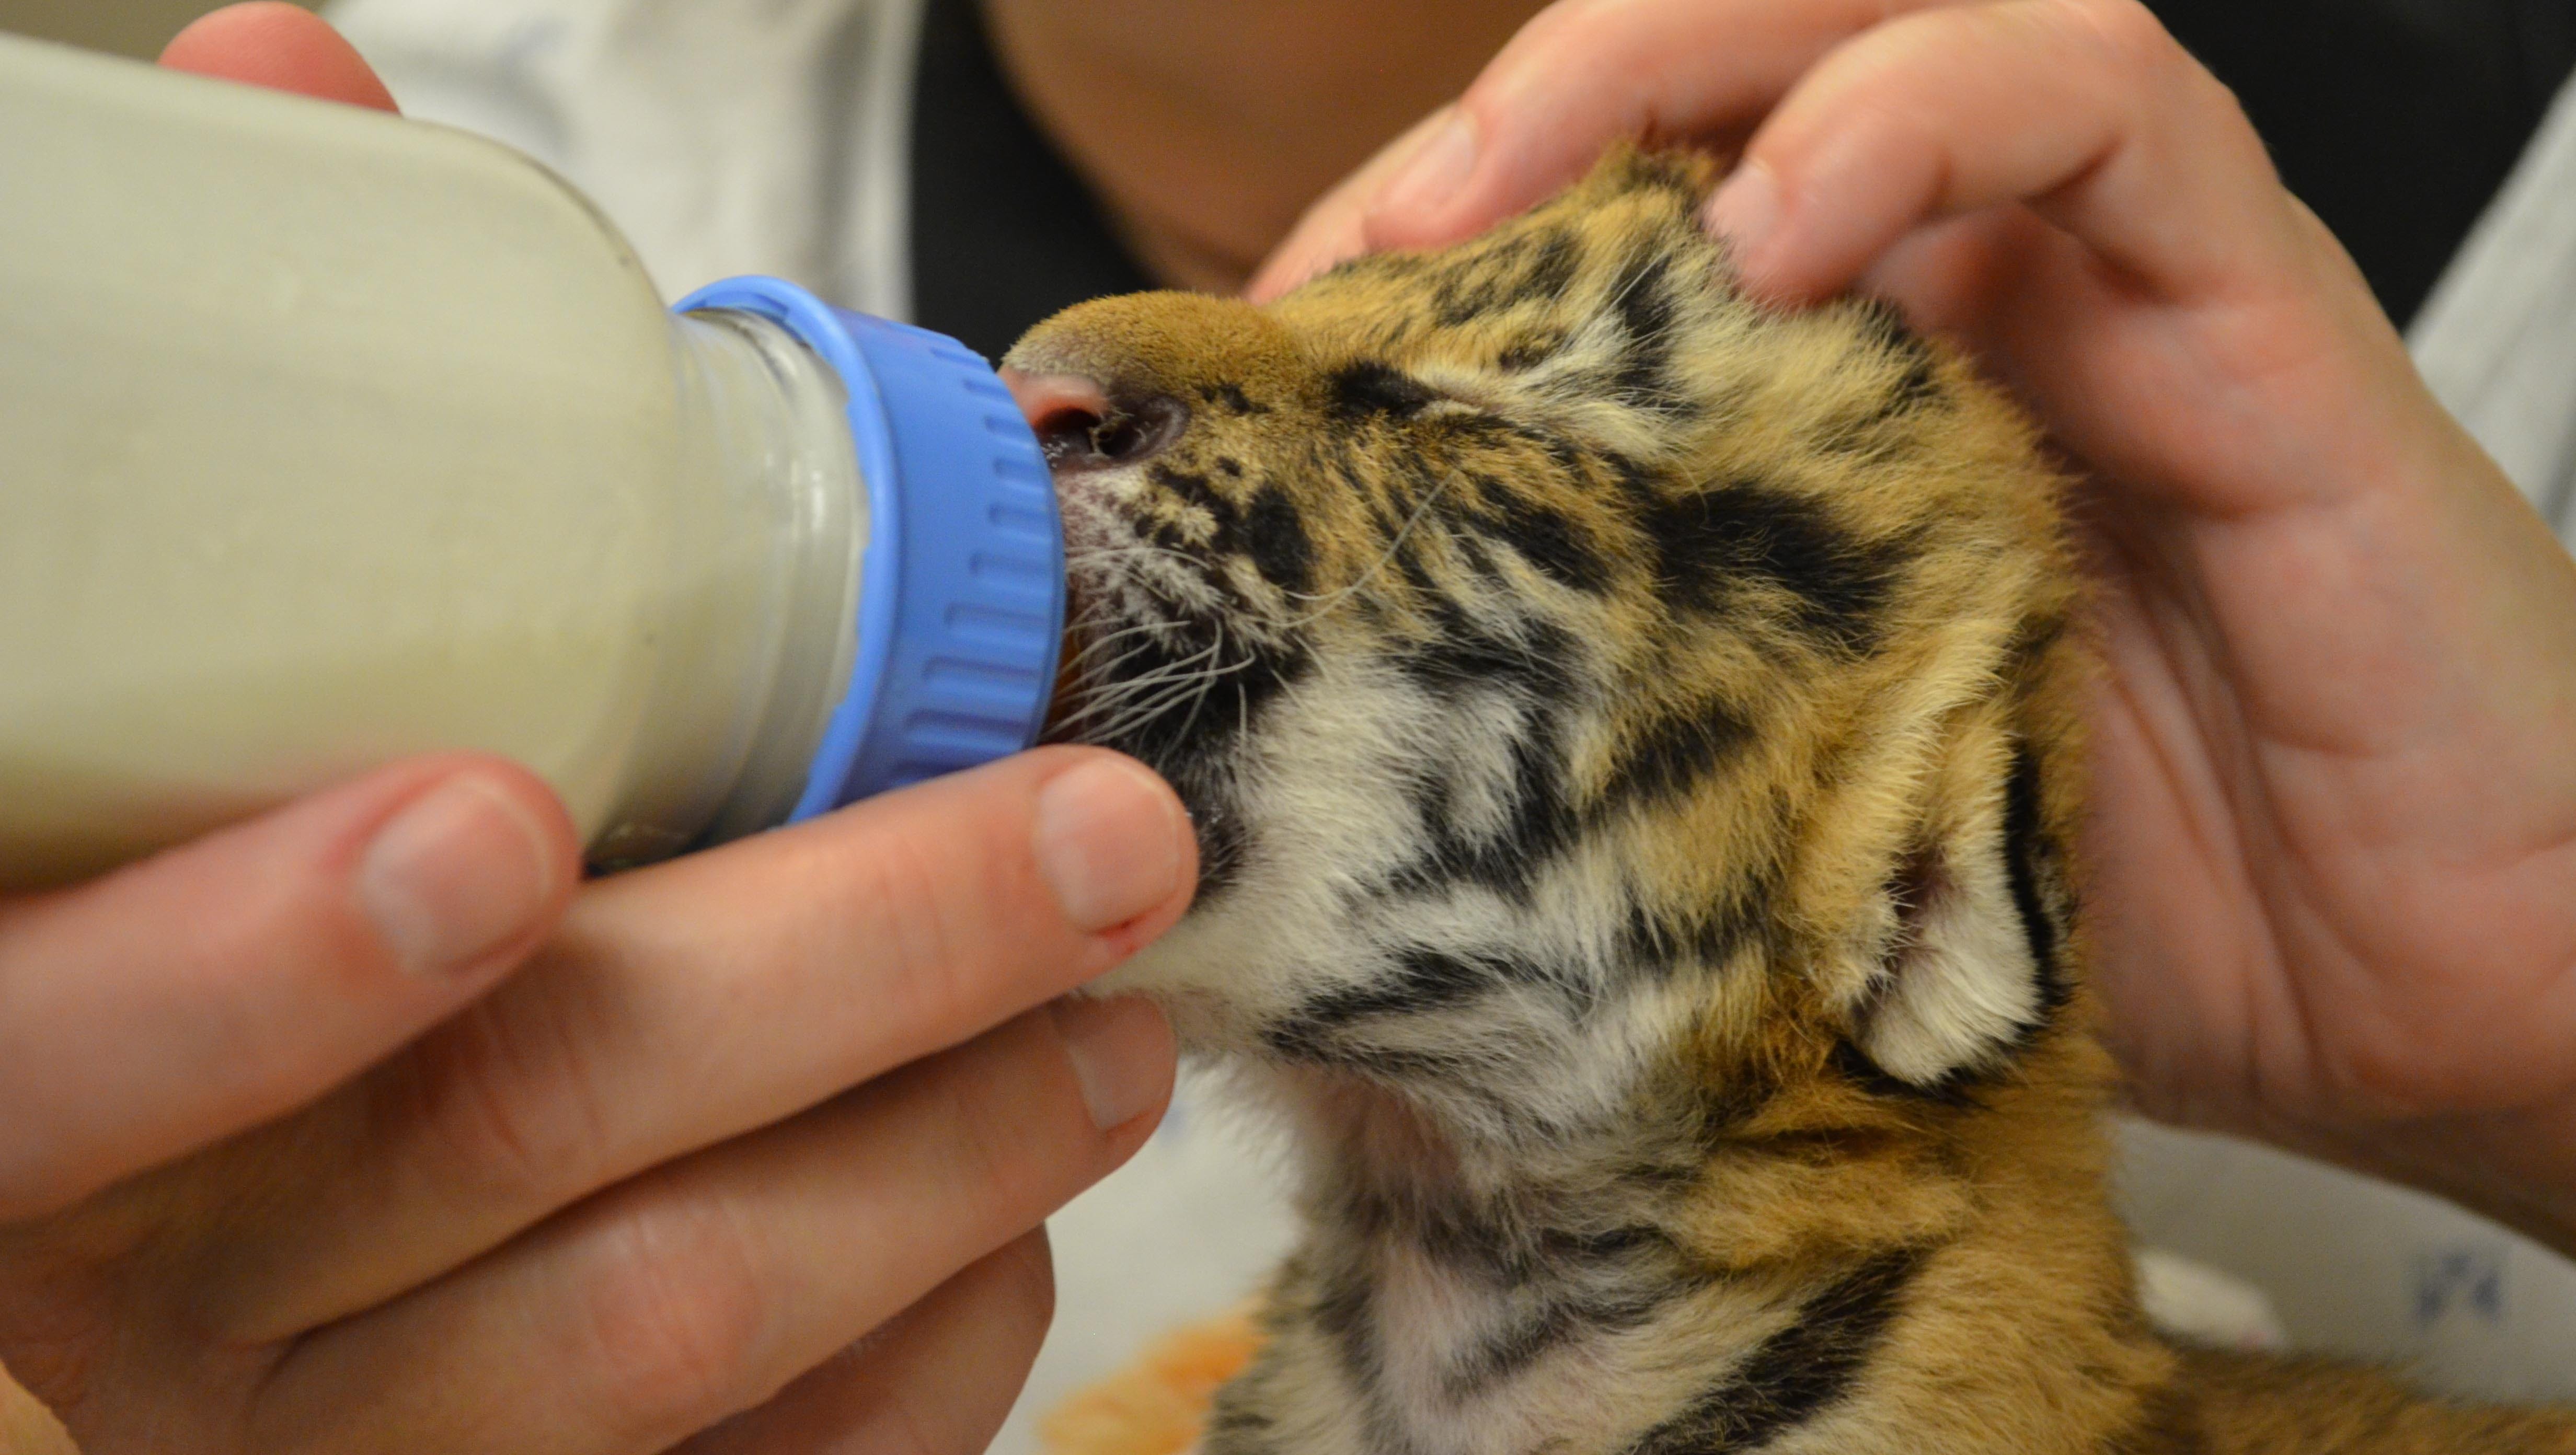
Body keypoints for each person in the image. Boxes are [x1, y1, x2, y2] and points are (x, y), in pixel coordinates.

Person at [1, 0, 2571, 1450]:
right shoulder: (483, 161)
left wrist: (2535, 1026)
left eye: (1495, 444)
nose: (1073, 385)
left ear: (1894, 910)